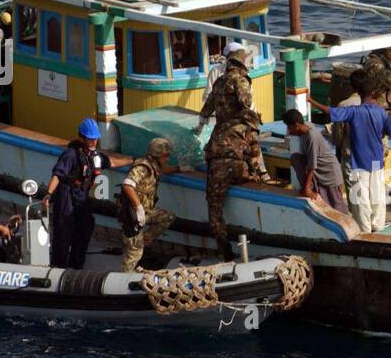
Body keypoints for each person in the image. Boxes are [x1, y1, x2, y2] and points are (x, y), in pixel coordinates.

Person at [199, 42, 274, 260]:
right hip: (239, 161)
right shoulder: (241, 85)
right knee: (254, 176)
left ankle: (225, 250)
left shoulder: (220, 81)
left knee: (214, 207)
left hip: (219, 154)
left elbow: (206, 109)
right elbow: (247, 105)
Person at [310, 82, 391, 233]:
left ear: (358, 93)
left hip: (359, 160)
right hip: (377, 160)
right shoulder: (381, 112)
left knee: (360, 199)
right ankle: (378, 227)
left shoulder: (353, 112)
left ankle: (364, 230)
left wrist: (310, 101)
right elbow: (388, 130)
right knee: (378, 196)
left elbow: (329, 111)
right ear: (373, 94)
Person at [43, 117, 105, 268]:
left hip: (81, 197)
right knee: (63, 231)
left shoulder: (92, 156)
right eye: (90, 139)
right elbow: (58, 175)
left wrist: (133, 161)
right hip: (66, 196)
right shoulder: (71, 154)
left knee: (86, 226)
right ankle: (59, 266)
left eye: (95, 139)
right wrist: (49, 194)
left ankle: (76, 265)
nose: (93, 142)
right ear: (81, 137)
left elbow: (111, 162)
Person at [118, 138, 181, 272]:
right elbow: (127, 184)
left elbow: (163, 169)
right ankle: (123, 277)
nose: (168, 159)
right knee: (135, 252)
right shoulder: (142, 167)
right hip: (132, 215)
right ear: (157, 155)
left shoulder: (154, 165)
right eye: (166, 156)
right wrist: (138, 208)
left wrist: (179, 169)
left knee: (167, 217)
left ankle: (144, 241)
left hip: (145, 212)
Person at [283, 108, 349, 214]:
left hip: (329, 174)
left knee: (337, 208)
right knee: (295, 158)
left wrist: (307, 188)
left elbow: (312, 166)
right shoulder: (305, 127)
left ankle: (350, 228)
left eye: (289, 127)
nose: (288, 131)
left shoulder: (311, 137)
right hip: (318, 173)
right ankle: (309, 189)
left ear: (296, 125)